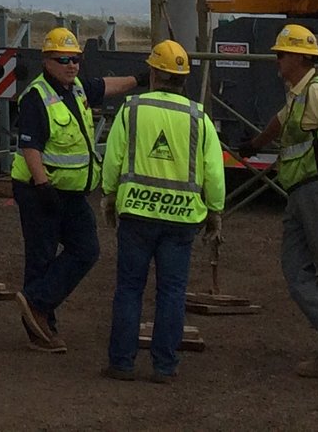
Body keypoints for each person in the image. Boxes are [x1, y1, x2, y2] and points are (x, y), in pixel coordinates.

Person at [244, 22, 318, 380]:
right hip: (301, 189)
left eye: (281, 54)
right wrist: (255, 144)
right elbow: (281, 123)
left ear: (299, 56)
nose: (277, 60)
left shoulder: (315, 90)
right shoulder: (297, 93)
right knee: (296, 270)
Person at [98, 39, 224, 382]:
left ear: (154, 73)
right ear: (183, 78)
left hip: (136, 215)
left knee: (129, 288)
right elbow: (213, 171)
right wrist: (214, 210)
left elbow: (113, 158)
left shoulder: (132, 109)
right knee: (172, 291)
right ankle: (164, 367)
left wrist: (109, 196)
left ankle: (122, 363)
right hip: (181, 219)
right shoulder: (199, 117)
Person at [10, 27, 144, 351]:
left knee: (87, 249)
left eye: (77, 60)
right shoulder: (36, 97)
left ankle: (37, 304)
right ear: (47, 61)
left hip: (71, 192)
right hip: (39, 189)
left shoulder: (77, 89)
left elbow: (106, 86)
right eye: (64, 59)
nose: (72, 65)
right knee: (41, 257)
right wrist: (42, 185)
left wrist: (140, 79)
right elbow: (30, 146)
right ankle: (41, 330)